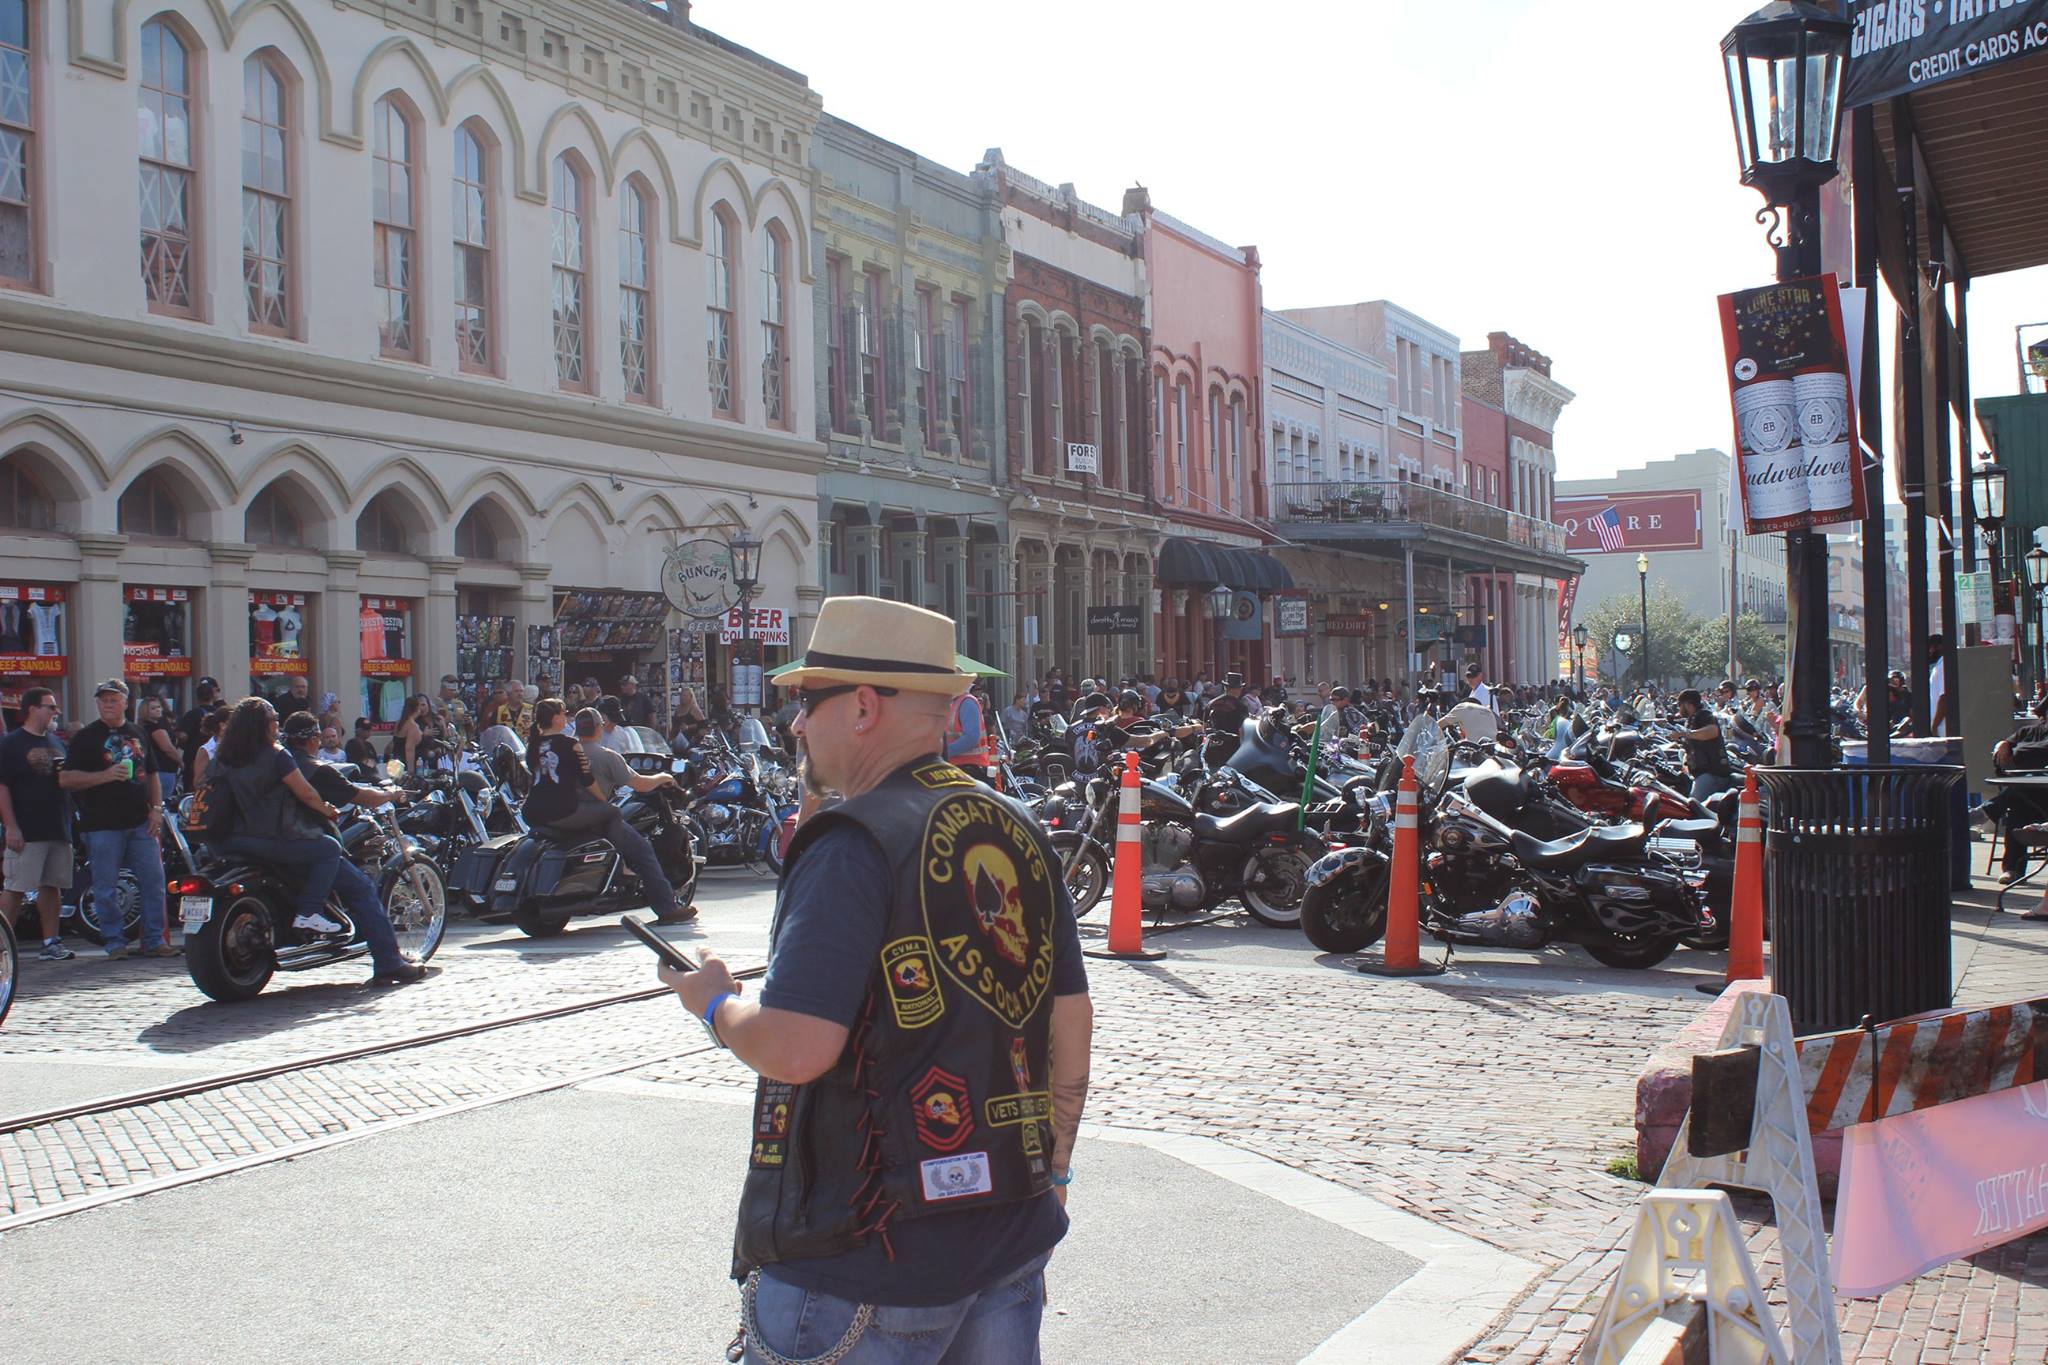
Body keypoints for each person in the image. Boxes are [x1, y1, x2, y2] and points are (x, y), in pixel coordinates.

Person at [659, 597, 1090, 1362]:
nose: (795, 724)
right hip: (1010, 1230)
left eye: (805, 701)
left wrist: (715, 1003)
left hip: (864, 1253)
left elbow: (795, 1047)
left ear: (861, 706)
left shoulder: (851, 843)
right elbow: (1070, 1026)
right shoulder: (1016, 824)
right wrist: (1054, 1170)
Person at [215, 701, 424, 984]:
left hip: (232, 842)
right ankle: (386, 961)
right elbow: (309, 795)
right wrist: (332, 809)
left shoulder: (224, 757)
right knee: (354, 879)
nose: (276, 723)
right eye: (273, 718)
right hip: (277, 841)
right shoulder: (283, 758)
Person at [524, 698, 692, 924]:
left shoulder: (538, 745)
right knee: (643, 852)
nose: (566, 716)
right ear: (599, 728)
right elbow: (616, 782)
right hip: (576, 814)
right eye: (563, 713)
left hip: (537, 812)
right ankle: (666, 908)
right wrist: (664, 777)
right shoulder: (594, 752)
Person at [58, 679, 170, 959]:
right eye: (103, 700)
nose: (108, 704)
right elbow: (66, 779)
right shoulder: (85, 737)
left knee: (154, 881)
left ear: (126, 702)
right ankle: (114, 941)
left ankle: (154, 940)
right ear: (97, 704)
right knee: (105, 887)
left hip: (139, 821)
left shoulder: (139, 732)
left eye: (113, 699)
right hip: (102, 824)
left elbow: (153, 773)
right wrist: (105, 776)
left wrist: (156, 809)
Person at [0, 687, 77, 960]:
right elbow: (2, 787)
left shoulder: (56, 742)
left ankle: (50, 942)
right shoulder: (11, 743)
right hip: (26, 828)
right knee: (16, 886)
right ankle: (2, 943)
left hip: (56, 825)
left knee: (52, 886)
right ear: (32, 709)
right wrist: (11, 826)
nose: (55, 712)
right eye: (50, 706)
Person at [1675, 688, 1734, 802]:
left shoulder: (1704, 715)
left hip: (1712, 773)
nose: (1679, 708)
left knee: (1693, 806)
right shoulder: (1692, 719)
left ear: (1687, 704)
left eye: (1680, 705)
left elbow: (1713, 731)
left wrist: (1685, 733)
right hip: (1702, 773)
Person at [137, 694, 183, 806]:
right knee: (162, 803)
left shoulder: (144, 728)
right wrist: (181, 762)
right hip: (163, 771)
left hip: (157, 770)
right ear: (145, 711)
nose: (158, 710)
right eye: (153, 708)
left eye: (158, 707)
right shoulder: (154, 728)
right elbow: (168, 748)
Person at [944, 681, 988, 777]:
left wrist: (943, 752)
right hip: (955, 766)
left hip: (968, 768)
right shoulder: (951, 702)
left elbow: (971, 738)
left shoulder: (967, 702)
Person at [1203, 671, 1253, 741]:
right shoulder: (1241, 707)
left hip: (1213, 745)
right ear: (1238, 689)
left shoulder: (1211, 703)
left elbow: (1205, 727)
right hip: (1233, 746)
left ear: (1225, 687)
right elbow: (1242, 730)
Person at [390, 694, 431, 771]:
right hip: (406, 765)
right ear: (417, 708)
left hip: (396, 763)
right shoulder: (412, 726)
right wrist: (410, 772)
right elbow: (409, 749)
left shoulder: (400, 722)